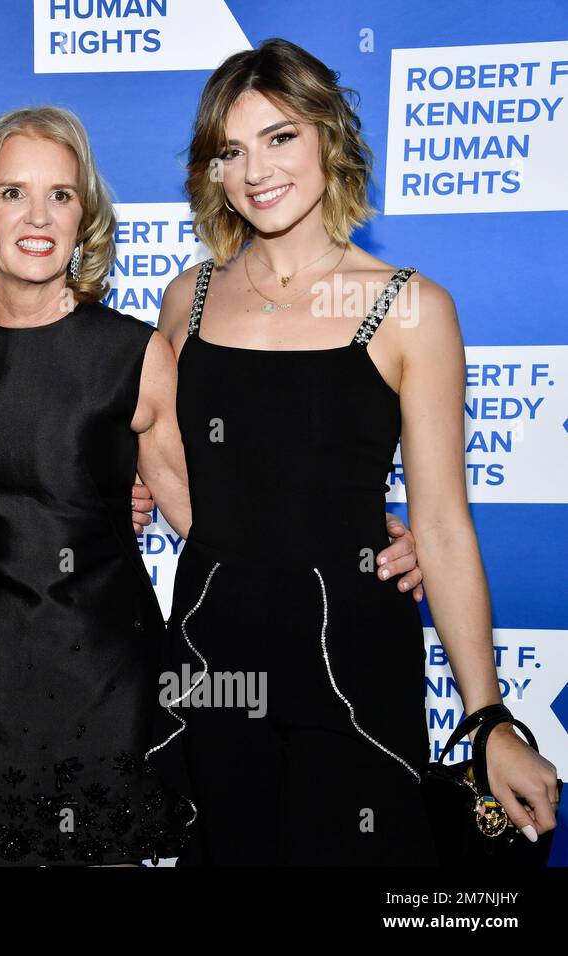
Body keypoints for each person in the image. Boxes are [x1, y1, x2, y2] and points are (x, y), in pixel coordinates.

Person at [0, 105, 423, 867]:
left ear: (87, 218)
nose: (38, 215)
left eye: (61, 195)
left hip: (100, 682)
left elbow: (205, 512)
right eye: (12, 193)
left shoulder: (133, 352)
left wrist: (358, 536)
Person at [154, 38, 558, 864]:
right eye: (232, 149)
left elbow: (441, 525)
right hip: (209, 653)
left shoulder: (411, 308)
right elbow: (171, 463)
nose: (257, 169)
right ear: (212, 172)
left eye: (281, 136)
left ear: (329, 139)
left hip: (353, 662)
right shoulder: (185, 300)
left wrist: (487, 719)